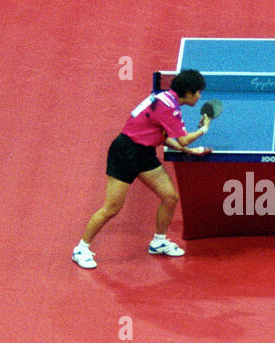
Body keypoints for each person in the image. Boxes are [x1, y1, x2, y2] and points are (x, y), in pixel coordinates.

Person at [72, 70, 211, 269]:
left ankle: (158, 241)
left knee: (170, 197)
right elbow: (181, 138)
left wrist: (190, 151)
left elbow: (164, 137)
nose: (199, 96)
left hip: (144, 153)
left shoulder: (162, 97)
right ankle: (81, 248)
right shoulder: (169, 108)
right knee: (112, 208)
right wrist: (204, 129)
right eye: (198, 92)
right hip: (125, 153)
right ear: (188, 92)